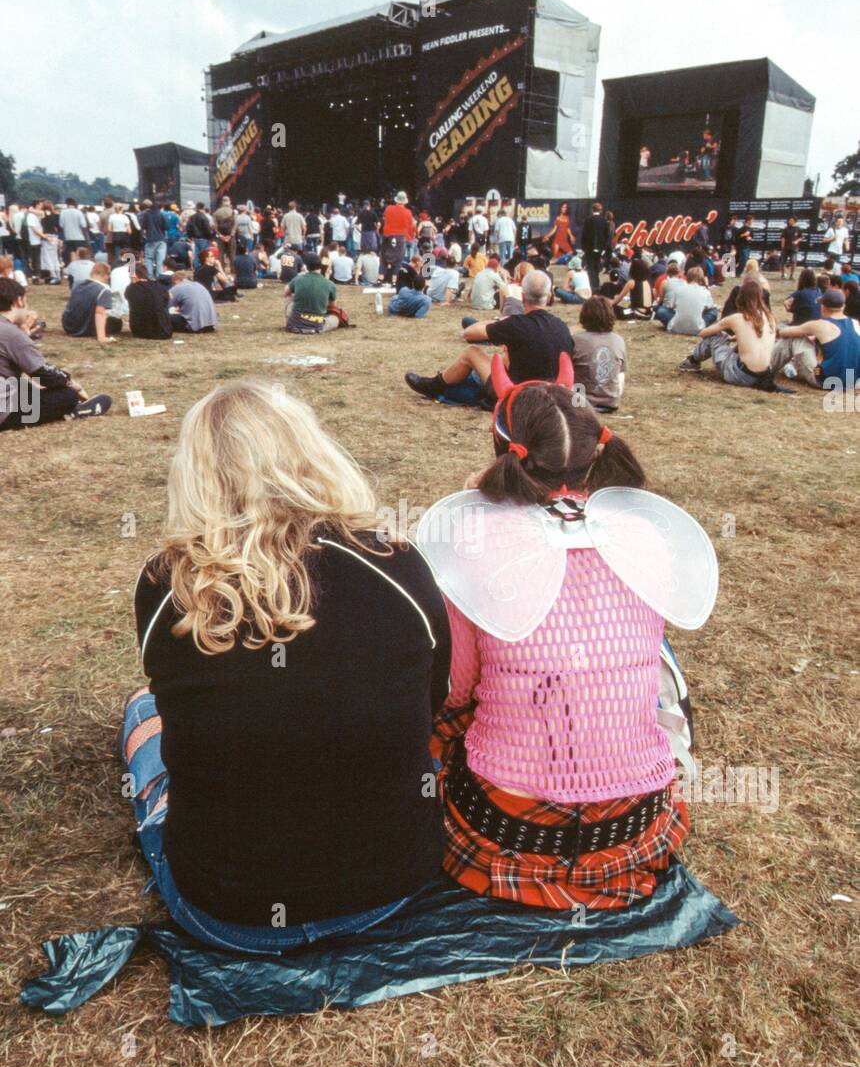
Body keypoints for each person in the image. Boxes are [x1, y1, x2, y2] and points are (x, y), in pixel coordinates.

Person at [121, 380, 450, 952]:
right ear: (310, 451)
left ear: (193, 474)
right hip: (393, 887)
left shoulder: (163, 584)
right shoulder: (395, 561)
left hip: (225, 910)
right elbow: (433, 697)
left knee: (142, 709)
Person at [422, 357, 695, 911]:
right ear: (596, 453)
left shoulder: (471, 542)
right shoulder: (644, 534)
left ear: (503, 450)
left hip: (508, 830)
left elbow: (457, 691)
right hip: (634, 823)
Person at [405, 269, 573, 402]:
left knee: (472, 352)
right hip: (551, 397)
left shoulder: (515, 324)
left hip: (515, 395)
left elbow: (469, 332)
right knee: (502, 356)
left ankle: (434, 386)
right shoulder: (562, 328)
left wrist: (497, 321)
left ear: (522, 296)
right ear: (549, 296)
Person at [0, 278, 111, 429]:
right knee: (67, 396)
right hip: (3, 413)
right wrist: (73, 385)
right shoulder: (10, 333)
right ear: (19, 301)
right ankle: (74, 409)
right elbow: (44, 374)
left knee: (25, 386)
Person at [679, 279, 777, 389]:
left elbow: (703, 333)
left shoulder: (737, 318)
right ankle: (693, 361)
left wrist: (725, 337)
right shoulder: (770, 318)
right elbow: (756, 339)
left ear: (740, 297)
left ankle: (693, 360)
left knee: (716, 335)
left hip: (740, 375)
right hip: (762, 376)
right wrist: (735, 337)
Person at [771, 287, 860, 391]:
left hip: (824, 379)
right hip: (852, 381)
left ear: (823, 307)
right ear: (843, 307)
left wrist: (773, 329)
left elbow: (784, 333)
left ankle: (765, 368)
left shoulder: (819, 325)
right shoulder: (855, 323)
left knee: (795, 339)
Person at [570, 295, 627, 411]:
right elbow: (621, 373)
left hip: (580, 403)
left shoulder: (575, 340)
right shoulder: (618, 340)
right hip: (611, 402)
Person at [61, 261, 123, 340]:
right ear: (106, 276)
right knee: (117, 323)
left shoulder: (77, 285)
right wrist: (102, 337)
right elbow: (99, 313)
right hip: (85, 328)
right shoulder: (104, 289)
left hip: (69, 326)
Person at [654, 266, 718, 334]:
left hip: (675, 326)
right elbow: (708, 307)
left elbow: (671, 306)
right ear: (701, 279)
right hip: (698, 328)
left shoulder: (679, 289)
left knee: (661, 310)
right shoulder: (705, 291)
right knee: (713, 311)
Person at [285, 253, 337, 333]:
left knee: (289, 297)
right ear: (320, 265)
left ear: (307, 266)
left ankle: (292, 319)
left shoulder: (298, 279)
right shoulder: (330, 284)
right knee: (335, 319)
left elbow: (286, 292)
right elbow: (332, 306)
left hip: (295, 324)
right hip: (317, 324)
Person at [125, 270, 174, 340]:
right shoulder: (158, 285)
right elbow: (169, 298)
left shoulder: (132, 288)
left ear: (134, 276)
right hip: (165, 330)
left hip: (141, 331)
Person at [381, 192, 416, 282]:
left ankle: (380, 279)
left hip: (387, 235)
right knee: (398, 260)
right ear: (405, 201)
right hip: (400, 237)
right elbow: (409, 226)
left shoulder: (388, 208)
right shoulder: (408, 212)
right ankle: (394, 280)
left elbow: (384, 220)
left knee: (384, 258)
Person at [581, 201, 611, 293]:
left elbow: (584, 235)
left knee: (590, 267)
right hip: (600, 248)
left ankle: (592, 285)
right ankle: (596, 284)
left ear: (592, 210)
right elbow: (607, 235)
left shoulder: (588, 220)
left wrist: (584, 247)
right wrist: (604, 248)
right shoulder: (604, 221)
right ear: (600, 210)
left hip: (589, 248)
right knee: (597, 266)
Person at [612, 253, 652, 319]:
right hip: (648, 312)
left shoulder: (631, 282)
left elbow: (618, 300)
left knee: (614, 308)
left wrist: (607, 304)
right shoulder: (647, 282)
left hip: (636, 312)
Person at [138, 200, 168, 280]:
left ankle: (150, 276)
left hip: (150, 239)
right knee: (160, 260)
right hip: (161, 239)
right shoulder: (161, 214)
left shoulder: (146, 215)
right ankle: (159, 276)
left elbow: (143, 226)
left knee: (149, 258)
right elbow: (165, 227)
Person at [59, 198, 89, 265]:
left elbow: (61, 225)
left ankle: (73, 268)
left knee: (72, 254)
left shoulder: (63, 212)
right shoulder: (79, 212)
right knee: (80, 255)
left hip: (68, 237)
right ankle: (80, 268)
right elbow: (84, 225)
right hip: (79, 237)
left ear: (67, 204)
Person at [186, 202, 215, 267]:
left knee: (195, 255)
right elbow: (207, 229)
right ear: (203, 208)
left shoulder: (192, 217)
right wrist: (210, 237)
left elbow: (188, 227)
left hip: (195, 238)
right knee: (204, 255)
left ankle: (196, 268)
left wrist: (190, 236)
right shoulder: (204, 217)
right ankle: (204, 268)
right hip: (204, 238)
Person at [213, 195, 238, 269]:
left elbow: (215, 226)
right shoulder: (232, 212)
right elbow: (235, 224)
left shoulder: (217, 212)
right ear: (229, 202)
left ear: (222, 202)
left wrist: (220, 235)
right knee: (232, 253)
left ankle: (221, 269)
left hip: (221, 236)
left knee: (220, 253)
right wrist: (231, 235)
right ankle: (233, 269)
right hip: (230, 235)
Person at [780, 215, 802, 281]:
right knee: (783, 262)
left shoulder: (798, 229)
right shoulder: (785, 229)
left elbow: (801, 237)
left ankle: (792, 275)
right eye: (789, 220)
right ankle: (783, 275)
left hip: (794, 248)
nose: (789, 221)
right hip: (786, 248)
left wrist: (797, 241)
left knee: (794, 261)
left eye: (791, 220)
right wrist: (782, 247)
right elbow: (783, 238)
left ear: (795, 221)